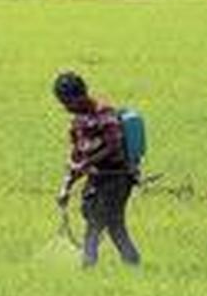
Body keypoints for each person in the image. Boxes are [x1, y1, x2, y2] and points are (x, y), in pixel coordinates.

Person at [53, 71, 141, 268]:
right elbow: (76, 157)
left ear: (81, 96)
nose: (66, 108)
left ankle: (88, 266)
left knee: (98, 224)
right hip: (97, 178)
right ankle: (132, 262)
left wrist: (87, 163)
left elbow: (114, 146)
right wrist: (65, 188)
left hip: (118, 177)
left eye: (68, 103)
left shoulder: (104, 113)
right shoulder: (77, 122)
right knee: (112, 225)